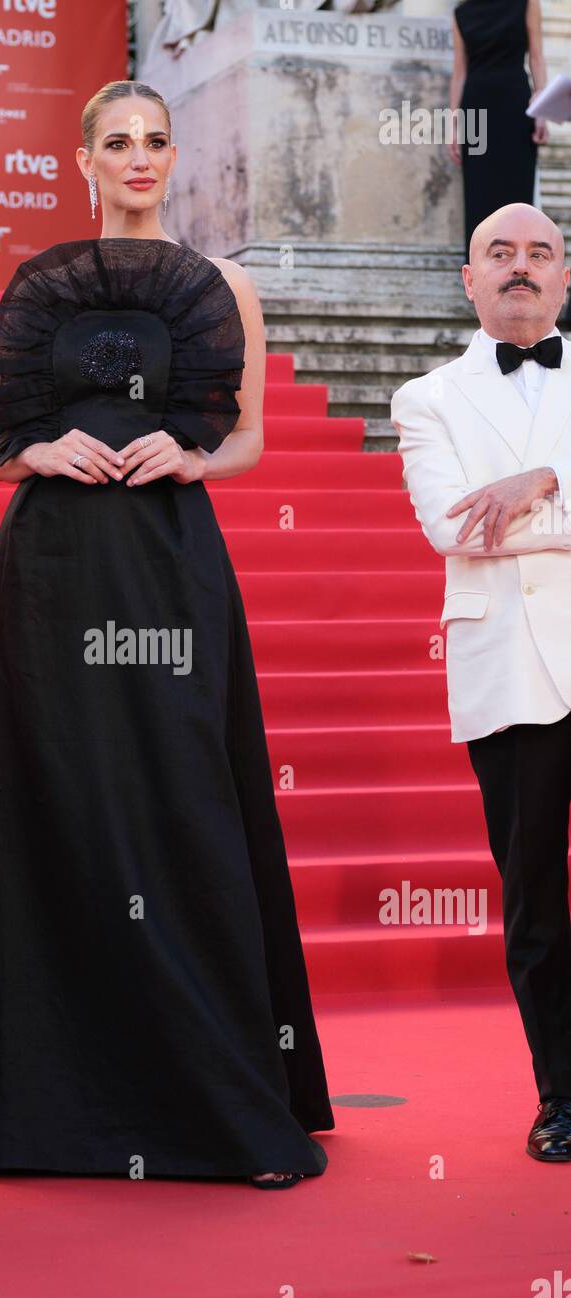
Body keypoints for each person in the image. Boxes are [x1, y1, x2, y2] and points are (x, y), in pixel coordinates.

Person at [0, 80, 333, 1189]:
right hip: (52, 571)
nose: (137, 157)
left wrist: (188, 455)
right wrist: (36, 454)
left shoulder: (223, 287)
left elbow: (249, 439)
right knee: (59, 801)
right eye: (116, 141)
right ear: (82, 157)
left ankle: (212, 1091)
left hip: (169, 567)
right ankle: (56, 1102)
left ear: (173, 159)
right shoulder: (42, 288)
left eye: (155, 142)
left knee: (184, 800)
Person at [391, 202, 571, 1163]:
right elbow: (451, 529)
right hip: (508, 669)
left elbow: (504, 516)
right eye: (498, 253)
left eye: (539, 253)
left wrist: (541, 480)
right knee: (535, 897)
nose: (519, 267)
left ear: (565, 276)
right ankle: (562, 1095)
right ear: (468, 279)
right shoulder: (428, 398)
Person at [450, 1, 548, 255]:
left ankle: (520, 273)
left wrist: (542, 110)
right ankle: (480, 283)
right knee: (478, 199)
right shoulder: (461, 13)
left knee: (517, 198)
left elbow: (537, 56)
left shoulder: (527, 2)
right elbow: (459, 72)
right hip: (476, 110)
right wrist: (452, 125)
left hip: (515, 108)